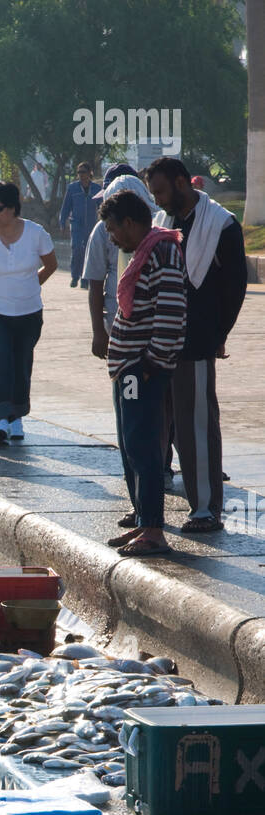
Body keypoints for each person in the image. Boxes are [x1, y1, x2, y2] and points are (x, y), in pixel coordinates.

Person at [147, 155, 248, 533]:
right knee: (157, 426)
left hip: (197, 340)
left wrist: (218, 336)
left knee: (196, 427)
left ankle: (206, 508)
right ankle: (148, 505)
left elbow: (234, 288)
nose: (156, 199)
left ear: (180, 182)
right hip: (160, 340)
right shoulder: (162, 222)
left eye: (159, 190)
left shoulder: (221, 224)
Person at [98, 189, 187, 558]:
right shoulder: (144, 251)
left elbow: (171, 312)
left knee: (143, 445)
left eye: (112, 229)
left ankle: (153, 529)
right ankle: (142, 518)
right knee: (130, 444)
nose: (112, 236)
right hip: (129, 367)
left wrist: (151, 363)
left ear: (130, 223)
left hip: (141, 368)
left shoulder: (162, 251)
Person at [0, 180, 57, 445]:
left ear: (12, 208)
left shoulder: (36, 233)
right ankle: (1, 420)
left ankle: (17, 417)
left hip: (29, 312)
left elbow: (51, 265)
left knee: (21, 365)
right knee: (0, 365)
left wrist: (29, 286)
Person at [83, 163, 141, 359]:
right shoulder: (101, 231)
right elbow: (96, 283)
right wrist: (99, 331)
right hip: (118, 324)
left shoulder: (161, 226)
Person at [59, 162, 102, 287]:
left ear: (90, 173)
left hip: (91, 224)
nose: (81, 175)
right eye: (79, 172)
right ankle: (74, 276)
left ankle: (85, 278)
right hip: (76, 223)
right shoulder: (72, 188)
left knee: (87, 250)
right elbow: (66, 207)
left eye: (83, 172)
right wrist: (63, 223)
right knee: (77, 248)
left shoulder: (96, 189)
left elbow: (102, 206)